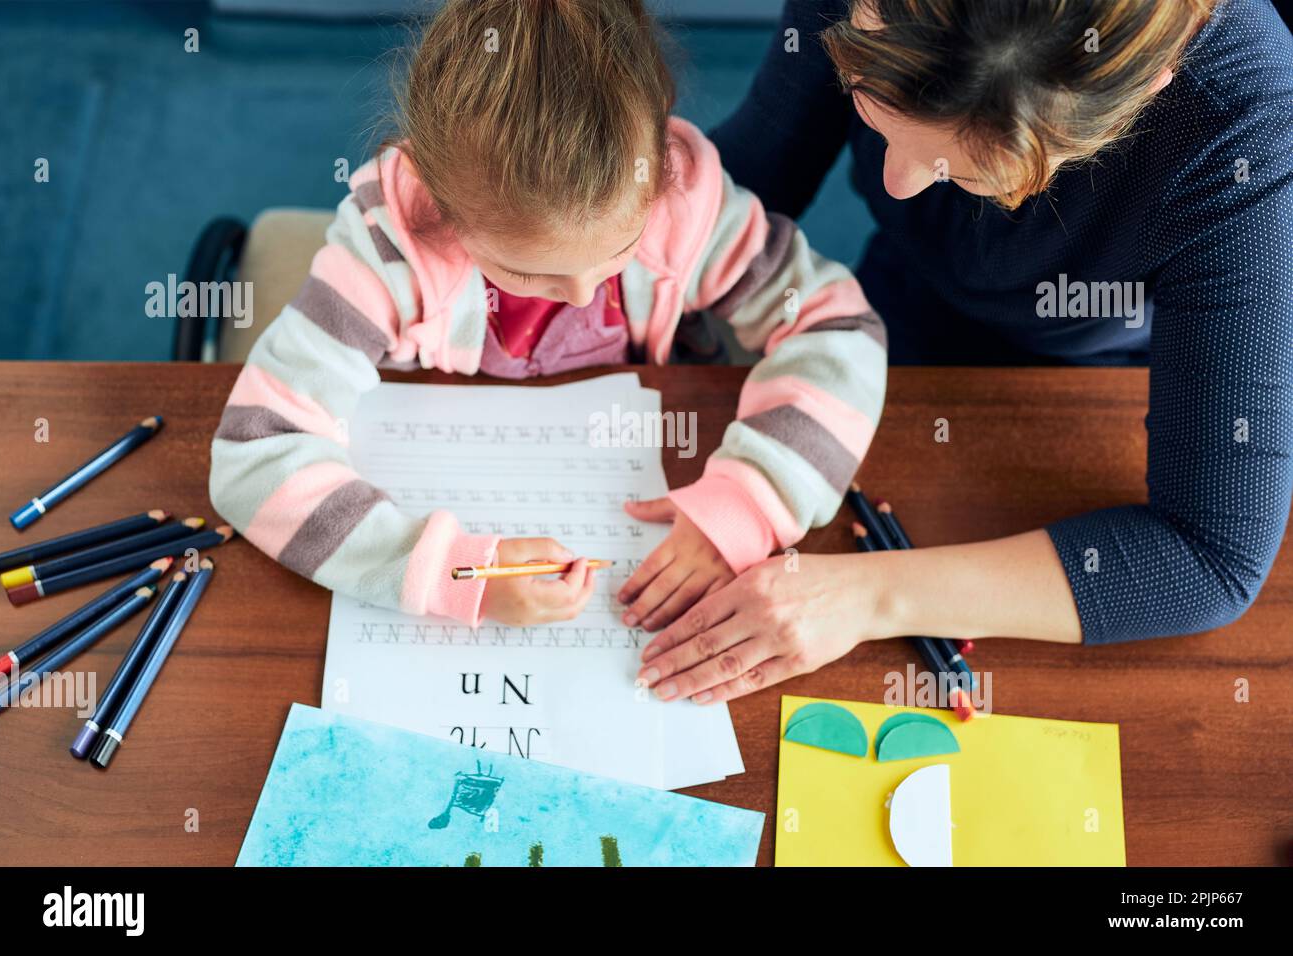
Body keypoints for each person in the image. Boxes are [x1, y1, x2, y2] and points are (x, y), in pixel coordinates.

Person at [634, 0, 1293, 705]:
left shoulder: (1243, 122)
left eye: (970, 175)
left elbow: (1210, 558)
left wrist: (864, 598)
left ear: (1144, 91)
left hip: (1091, 381)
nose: (896, 183)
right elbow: (752, 183)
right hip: (887, 318)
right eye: (873, 113)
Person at [208, 0, 887, 629]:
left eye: (619, 253)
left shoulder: (682, 205)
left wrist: (749, 504)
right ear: (441, 201)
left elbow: (839, 328)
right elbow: (255, 455)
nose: (586, 297)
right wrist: (453, 572)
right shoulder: (388, 247)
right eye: (528, 272)